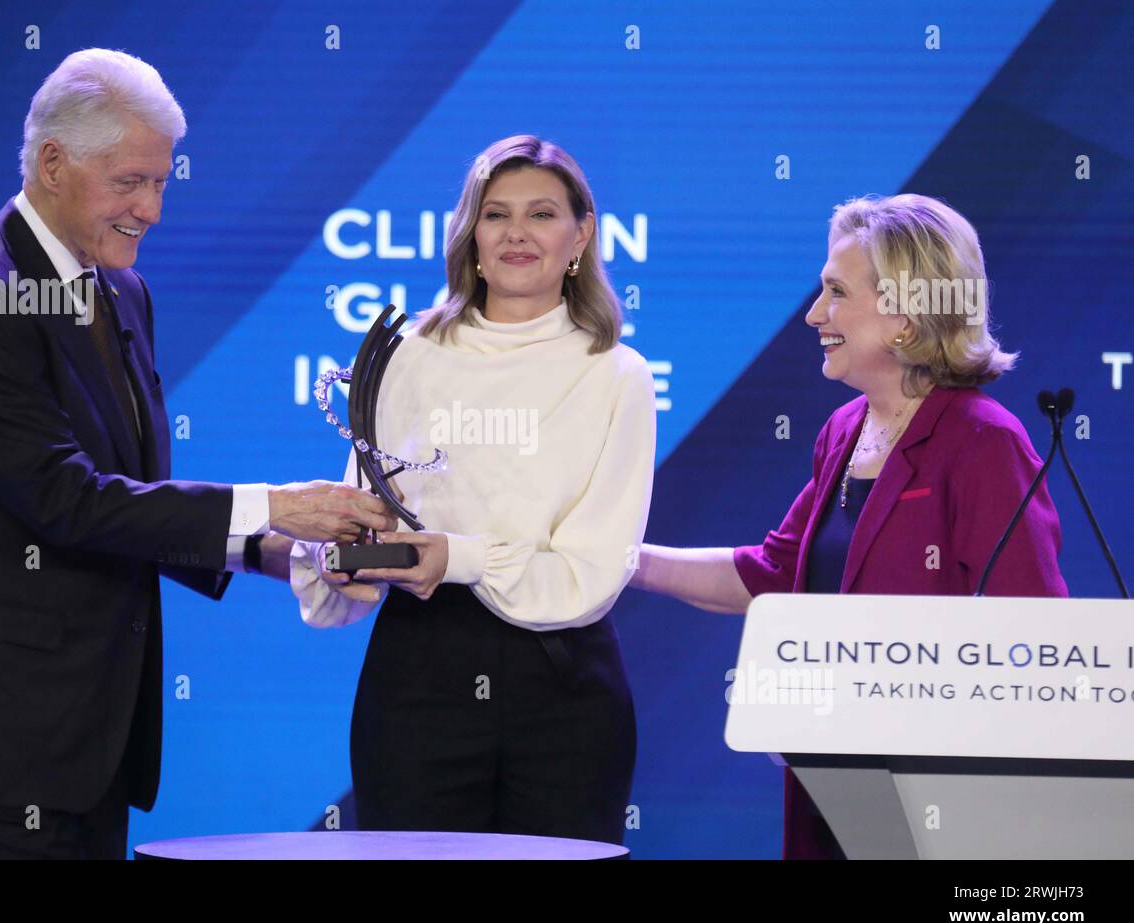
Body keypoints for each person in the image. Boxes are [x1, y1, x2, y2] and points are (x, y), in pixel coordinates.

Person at [0, 48, 395, 860]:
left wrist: (286, 550)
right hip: (0, 734)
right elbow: (65, 500)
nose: (150, 208)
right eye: (130, 182)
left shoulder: (121, 289)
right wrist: (274, 503)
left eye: (161, 181)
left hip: (92, 734)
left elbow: (135, 498)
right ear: (53, 162)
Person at [629, 193, 1068, 859]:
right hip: (834, 786)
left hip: (940, 807)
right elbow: (775, 575)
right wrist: (618, 561)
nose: (813, 314)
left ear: (904, 313)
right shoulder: (844, 431)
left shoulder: (983, 442)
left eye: (836, 291)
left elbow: (1031, 640)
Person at [290, 135, 656, 845]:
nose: (517, 233)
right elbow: (362, 517)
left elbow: (592, 569)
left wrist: (457, 556)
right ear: (470, 234)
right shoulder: (408, 356)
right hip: (418, 676)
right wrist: (338, 561)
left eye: (543, 214)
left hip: (562, 687)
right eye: (496, 214)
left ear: (581, 234)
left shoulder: (618, 374)